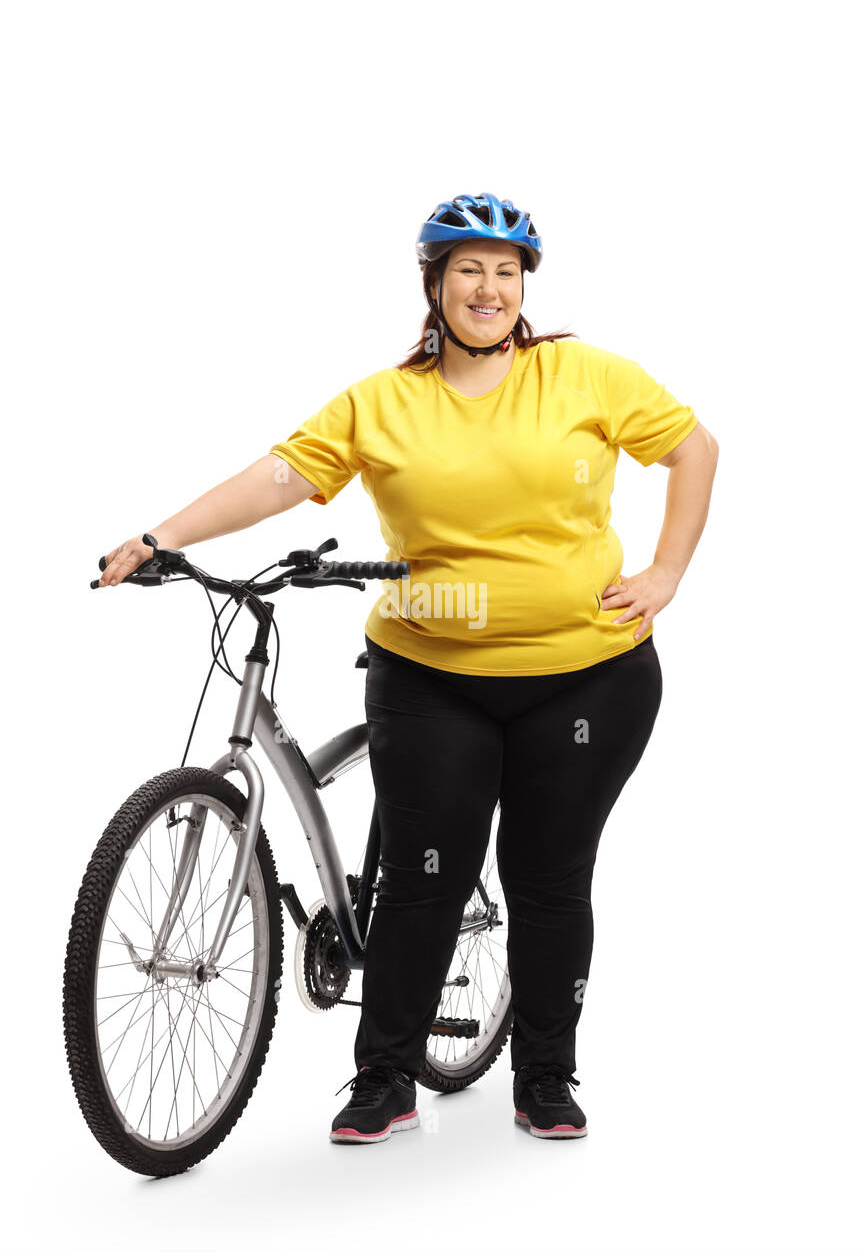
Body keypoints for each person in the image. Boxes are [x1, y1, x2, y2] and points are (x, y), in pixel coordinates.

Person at [97, 191, 719, 1145]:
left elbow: (694, 448)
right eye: (468, 269)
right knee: (426, 876)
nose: (489, 288)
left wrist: (666, 573)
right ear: (434, 285)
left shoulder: (583, 376)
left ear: (524, 288)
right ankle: (384, 1079)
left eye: (506, 272)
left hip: (587, 677)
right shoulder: (382, 402)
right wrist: (161, 534)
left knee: (548, 878)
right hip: (431, 673)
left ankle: (545, 1076)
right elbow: (279, 478)